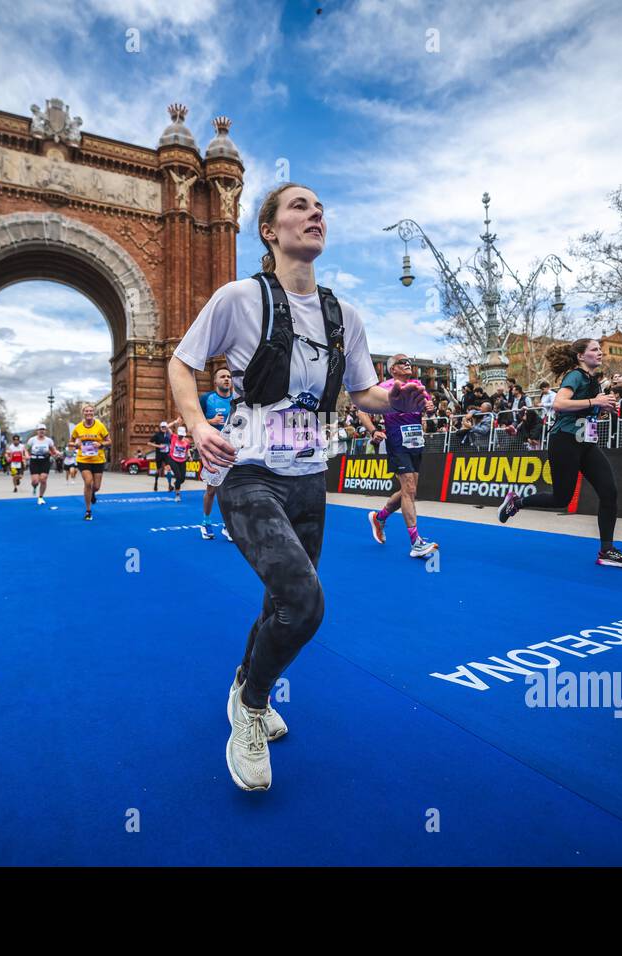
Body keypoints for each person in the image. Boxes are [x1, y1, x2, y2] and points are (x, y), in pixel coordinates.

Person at [167, 181, 429, 792]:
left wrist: (398, 399)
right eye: (299, 206)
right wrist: (197, 423)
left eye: (320, 207)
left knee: (281, 603)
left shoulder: (346, 316)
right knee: (307, 602)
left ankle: (241, 687)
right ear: (270, 230)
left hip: (312, 475)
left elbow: (363, 392)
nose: (315, 214)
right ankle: (251, 710)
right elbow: (182, 361)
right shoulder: (238, 298)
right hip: (248, 472)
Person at [496, 338, 622, 568]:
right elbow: (560, 404)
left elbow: (583, 409)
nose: (600, 353)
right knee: (561, 498)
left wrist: (601, 408)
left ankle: (607, 551)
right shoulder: (575, 375)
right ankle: (516, 503)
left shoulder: (593, 380)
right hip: (564, 441)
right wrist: (596, 401)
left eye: (600, 349)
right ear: (581, 356)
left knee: (609, 491)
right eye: (594, 349)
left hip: (586, 442)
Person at [361, 353, 438, 559]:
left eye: (409, 362)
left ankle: (380, 517)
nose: (407, 365)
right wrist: (372, 430)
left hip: (415, 442)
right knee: (409, 489)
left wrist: (430, 409)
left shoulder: (417, 385)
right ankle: (416, 542)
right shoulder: (383, 387)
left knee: (408, 491)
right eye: (402, 362)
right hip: (396, 441)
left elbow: (428, 411)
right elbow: (362, 410)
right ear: (392, 368)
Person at [199, 368, 236, 540]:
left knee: (231, 490)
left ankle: (228, 525)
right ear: (215, 381)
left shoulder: (237, 399)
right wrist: (210, 421)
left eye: (229, 376)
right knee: (212, 490)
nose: (227, 379)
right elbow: (193, 420)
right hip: (214, 450)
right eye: (222, 377)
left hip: (234, 449)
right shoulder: (207, 398)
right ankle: (206, 523)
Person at [70, 404, 110, 520]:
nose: (88, 413)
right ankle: (88, 511)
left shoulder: (100, 426)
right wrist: (76, 444)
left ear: (94, 412)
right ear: (83, 413)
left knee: (96, 487)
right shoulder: (78, 427)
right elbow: (70, 442)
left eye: (91, 411)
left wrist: (101, 444)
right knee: (88, 482)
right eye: (86, 411)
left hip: (98, 459)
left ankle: (92, 493)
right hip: (83, 459)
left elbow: (109, 441)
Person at [26, 424, 58, 506]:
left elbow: (53, 450)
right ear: (37, 431)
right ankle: (34, 486)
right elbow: (26, 449)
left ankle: (40, 497)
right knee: (35, 481)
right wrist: (26, 455)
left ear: (45, 431)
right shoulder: (32, 440)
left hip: (45, 461)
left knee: (43, 479)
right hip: (34, 461)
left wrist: (56, 453)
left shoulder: (48, 440)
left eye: (43, 429)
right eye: (40, 429)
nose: (41, 431)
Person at [149, 421, 175, 493]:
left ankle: (169, 486)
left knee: (168, 469)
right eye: (162, 427)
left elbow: (172, 439)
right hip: (159, 455)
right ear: (160, 428)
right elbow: (149, 443)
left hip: (167, 455)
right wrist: (158, 446)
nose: (164, 428)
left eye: (165, 427)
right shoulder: (157, 435)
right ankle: (156, 483)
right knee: (158, 470)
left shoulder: (168, 435)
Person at [168, 425, 192, 501]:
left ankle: (176, 484)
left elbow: (187, 449)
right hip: (173, 460)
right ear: (178, 434)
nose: (181, 437)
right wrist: (175, 422)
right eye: (180, 435)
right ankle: (177, 495)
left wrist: (189, 456)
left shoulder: (186, 441)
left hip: (182, 461)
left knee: (182, 479)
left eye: (182, 435)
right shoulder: (173, 437)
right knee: (178, 476)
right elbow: (167, 427)